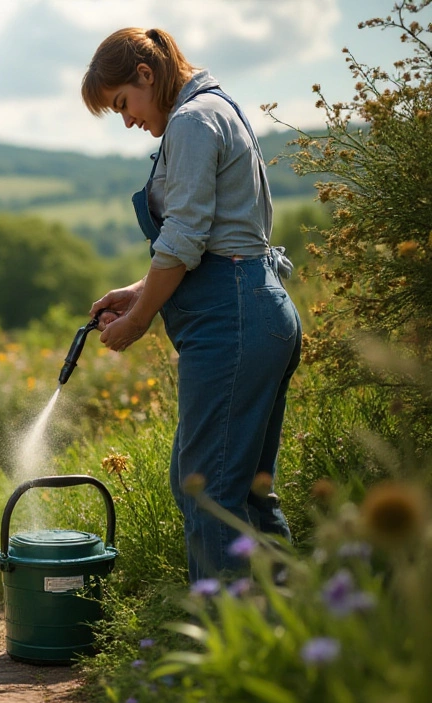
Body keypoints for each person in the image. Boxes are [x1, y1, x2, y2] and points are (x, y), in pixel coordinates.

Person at [80, 28, 300, 581]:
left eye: (123, 103)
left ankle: (229, 643)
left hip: (234, 320)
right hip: (253, 307)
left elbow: (182, 239)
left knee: (208, 490)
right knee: (244, 491)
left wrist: (139, 317)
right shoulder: (215, 109)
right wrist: (138, 290)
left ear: (146, 75)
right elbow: (214, 237)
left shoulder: (193, 121)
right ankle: (291, 633)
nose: (128, 120)